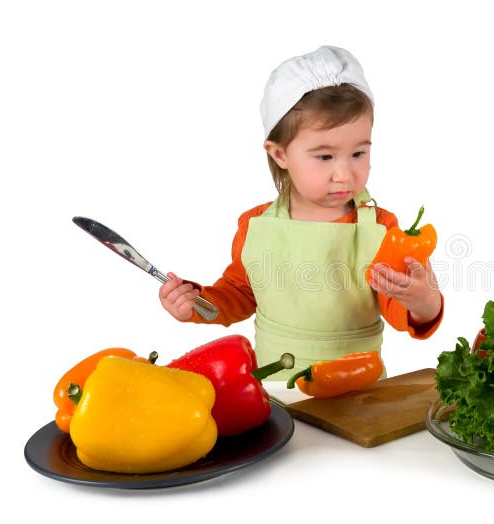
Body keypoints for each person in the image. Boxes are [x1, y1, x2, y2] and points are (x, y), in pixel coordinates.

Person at [158, 45, 444, 379]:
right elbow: (239, 293)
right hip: (274, 390)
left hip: (359, 393)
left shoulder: (382, 228)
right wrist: (195, 304)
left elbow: (397, 307)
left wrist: (424, 303)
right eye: (325, 157)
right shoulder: (255, 225)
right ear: (280, 154)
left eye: (358, 153)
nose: (345, 174)